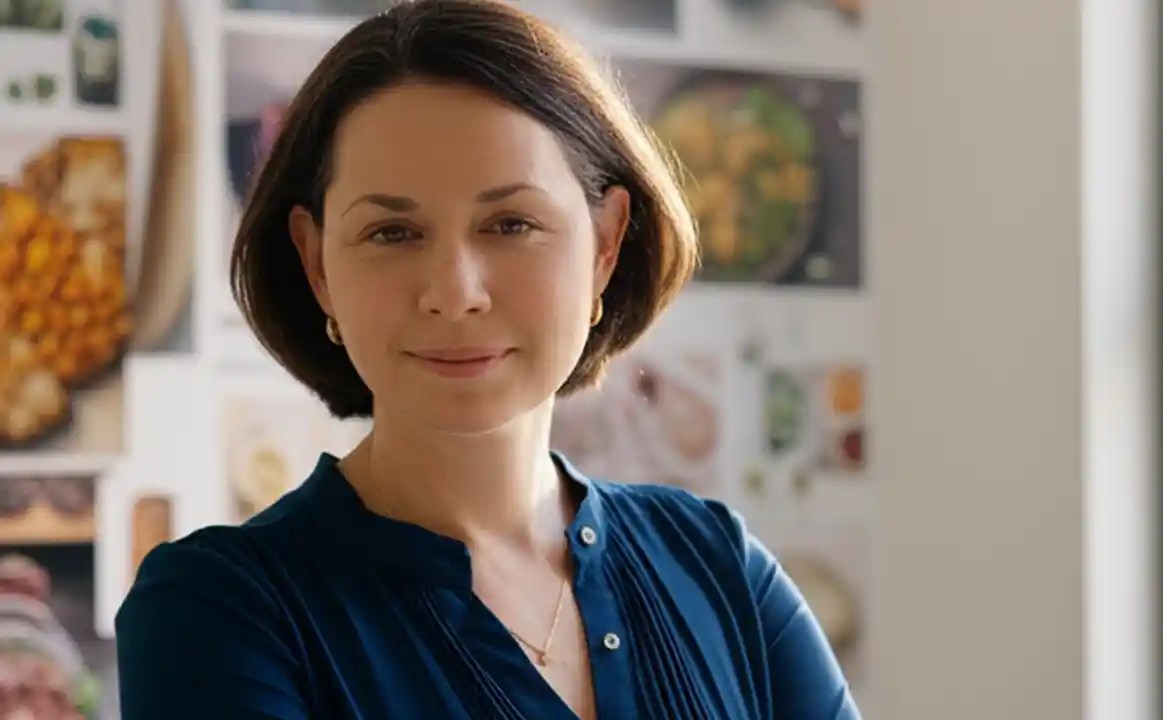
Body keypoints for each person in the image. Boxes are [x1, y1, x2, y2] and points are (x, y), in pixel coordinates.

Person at [114, 1, 863, 718]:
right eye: (391, 233)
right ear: (317, 267)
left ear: (605, 245)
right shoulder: (220, 611)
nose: (454, 293)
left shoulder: (717, 565)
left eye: (510, 223)